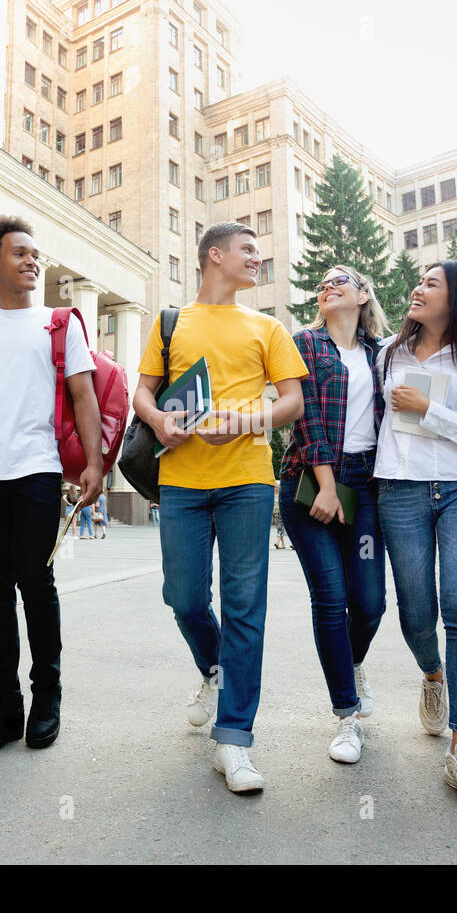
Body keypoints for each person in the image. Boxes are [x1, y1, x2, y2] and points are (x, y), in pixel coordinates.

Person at [134, 222, 307, 793]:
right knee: (182, 596)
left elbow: (292, 403)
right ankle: (212, 668)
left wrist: (246, 421)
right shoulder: (170, 322)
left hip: (247, 483)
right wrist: (159, 420)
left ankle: (234, 738)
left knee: (244, 606)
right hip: (180, 482)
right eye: (248, 250)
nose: (259, 258)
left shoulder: (267, 327)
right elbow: (142, 390)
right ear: (216, 255)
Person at [0, 215, 104, 758]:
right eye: (20, 253)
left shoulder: (60, 323)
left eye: (36, 254)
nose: (32, 261)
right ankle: (4, 708)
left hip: (37, 470)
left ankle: (47, 698)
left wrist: (94, 465)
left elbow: (84, 396)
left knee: (35, 585)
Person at [376, 260, 457, 808]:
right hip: (400, 491)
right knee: (414, 612)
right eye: (421, 281)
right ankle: (432, 674)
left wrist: (429, 410)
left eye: (433, 283)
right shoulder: (388, 352)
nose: (418, 288)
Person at [278, 265, 389, 764]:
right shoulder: (304, 343)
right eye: (321, 282)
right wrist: (326, 485)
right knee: (330, 598)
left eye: (340, 280)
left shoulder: (382, 354)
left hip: (366, 485)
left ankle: (352, 661)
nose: (327, 286)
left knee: (369, 604)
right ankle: (346, 716)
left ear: (363, 295)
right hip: (310, 482)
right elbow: (308, 419)